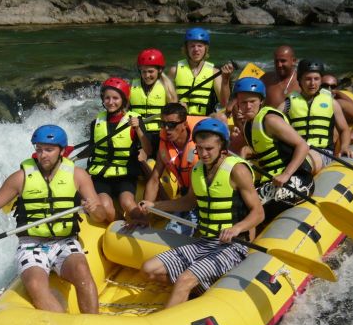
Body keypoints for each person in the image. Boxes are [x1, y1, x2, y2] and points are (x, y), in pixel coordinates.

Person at [0, 125, 107, 314]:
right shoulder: (20, 178)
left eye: (49, 150)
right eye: (39, 149)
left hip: (65, 241)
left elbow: (100, 215)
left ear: (61, 150)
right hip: (31, 244)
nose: (43, 155)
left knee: (82, 273)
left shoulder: (78, 175)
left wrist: (95, 209)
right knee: (36, 285)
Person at [138, 119, 264, 308]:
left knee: (184, 280)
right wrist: (154, 205)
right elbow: (188, 202)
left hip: (233, 246)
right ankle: (203, 289)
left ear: (222, 146)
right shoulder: (197, 169)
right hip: (205, 241)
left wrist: (236, 228)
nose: (203, 154)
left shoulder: (237, 170)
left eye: (209, 148)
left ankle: (168, 324)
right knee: (148, 269)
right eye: (199, 148)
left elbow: (259, 213)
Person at [230, 77, 315, 218]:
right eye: (243, 102)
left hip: (296, 180)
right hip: (271, 181)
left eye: (252, 101)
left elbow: (303, 146)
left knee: (245, 210)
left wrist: (286, 174)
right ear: (238, 104)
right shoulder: (248, 125)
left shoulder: (270, 120)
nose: (248, 106)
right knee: (235, 202)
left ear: (261, 101)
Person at [87, 77, 153, 223]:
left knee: (127, 203)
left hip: (125, 174)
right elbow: (93, 150)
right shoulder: (96, 123)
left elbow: (148, 149)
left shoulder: (134, 120)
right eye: (107, 98)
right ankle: (120, 225)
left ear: (123, 99)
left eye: (115, 98)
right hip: (101, 175)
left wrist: (138, 130)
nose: (111, 102)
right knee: (105, 206)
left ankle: (141, 223)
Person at [281, 60, 353, 172]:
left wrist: (344, 147)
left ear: (321, 80)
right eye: (308, 79)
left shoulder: (331, 102)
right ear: (300, 80)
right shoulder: (288, 103)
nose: (312, 83)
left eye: (316, 79)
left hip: (323, 152)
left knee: (304, 162)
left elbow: (344, 129)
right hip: (296, 151)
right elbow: (271, 120)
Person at [140, 102, 199, 235]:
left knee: (172, 233)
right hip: (185, 197)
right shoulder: (165, 145)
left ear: (184, 124)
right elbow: (155, 179)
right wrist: (144, 214)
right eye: (163, 124)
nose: (167, 128)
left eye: (172, 124)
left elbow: (191, 201)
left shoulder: (200, 147)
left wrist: (154, 207)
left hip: (202, 202)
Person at [167, 27, 234, 116]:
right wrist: (175, 105)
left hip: (203, 121)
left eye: (200, 46)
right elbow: (164, 99)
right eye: (192, 46)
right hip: (179, 119)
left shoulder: (214, 72)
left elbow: (225, 104)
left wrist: (225, 80)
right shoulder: (174, 71)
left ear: (206, 48)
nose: (196, 49)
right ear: (186, 48)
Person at [130, 48, 177, 158]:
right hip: (137, 133)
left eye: (151, 71)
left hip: (159, 134)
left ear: (159, 70)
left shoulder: (167, 87)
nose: (147, 75)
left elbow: (173, 116)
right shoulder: (132, 86)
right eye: (143, 72)